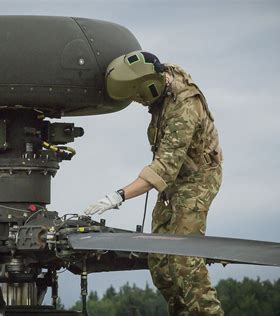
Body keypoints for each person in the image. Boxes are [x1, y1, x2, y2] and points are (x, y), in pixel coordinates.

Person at [84, 51, 224, 315]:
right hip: (174, 182)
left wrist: (118, 196)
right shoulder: (161, 80)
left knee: (184, 261)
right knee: (160, 262)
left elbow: (164, 168)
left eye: (136, 96)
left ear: (149, 87)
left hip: (196, 180)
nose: (137, 102)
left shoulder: (184, 108)